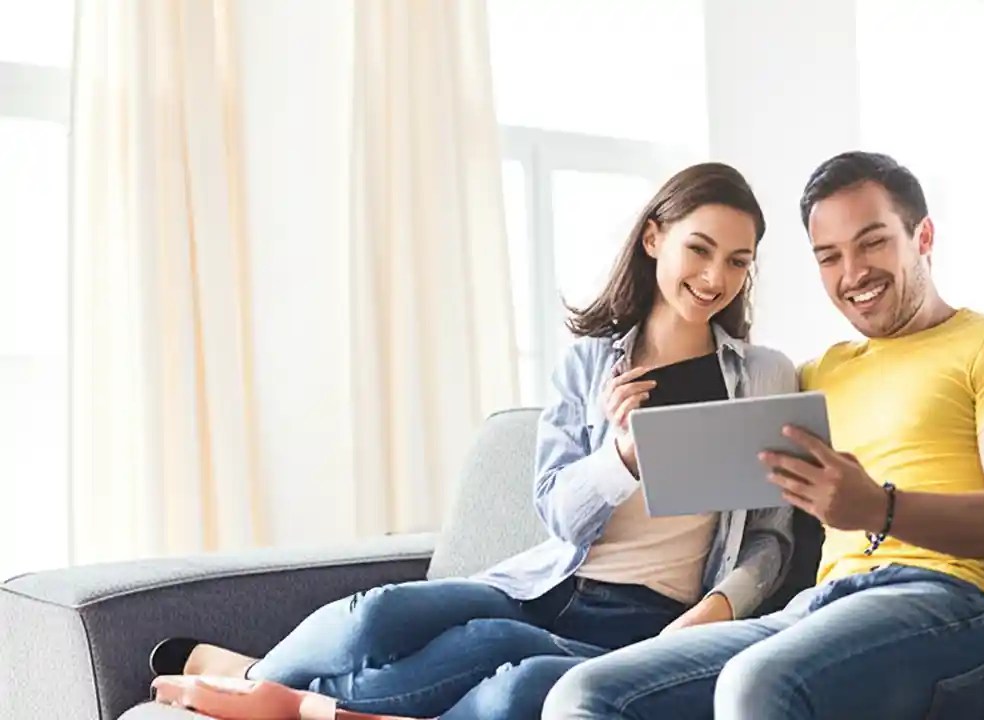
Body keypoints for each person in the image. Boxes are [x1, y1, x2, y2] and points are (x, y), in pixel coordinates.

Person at [147, 162, 798, 720]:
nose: (716, 276)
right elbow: (559, 518)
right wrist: (621, 458)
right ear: (655, 239)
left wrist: (716, 609)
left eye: (738, 261)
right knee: (377, 617)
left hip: (646, 618)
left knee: (502, 666)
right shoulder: (588, 367)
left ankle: (283, 699)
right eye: (700, 249)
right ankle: (264, 680)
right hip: (551, 582)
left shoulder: (764, 375)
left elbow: (770, 536)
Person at [541, 151, 984, 720]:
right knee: (585, 693)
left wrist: (879, 508)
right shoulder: (815, 377)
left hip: (952, 604)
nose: (853, 273)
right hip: (819, 608)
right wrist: (619, 436)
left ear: (923, 236)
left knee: (755, 683)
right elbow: (729, 491)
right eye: (829, 256)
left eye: (873, 243)